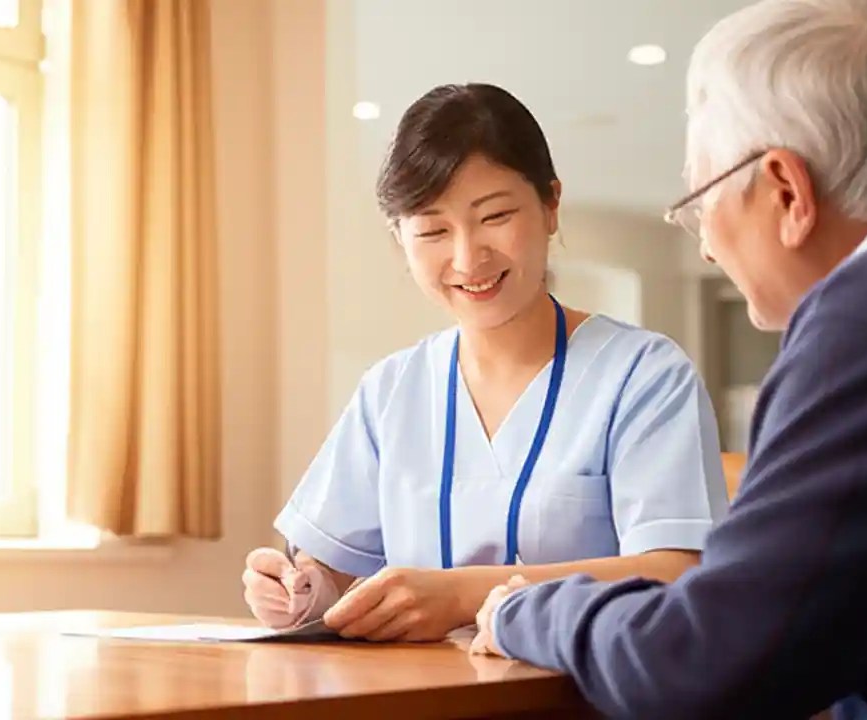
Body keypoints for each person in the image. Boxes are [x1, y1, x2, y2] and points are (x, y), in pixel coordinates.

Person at [470, 1, 867, 718]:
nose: (706, 246)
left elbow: (703, 665)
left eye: (700, 203)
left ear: (786, 191)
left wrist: (524, 610)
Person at [241, 83, 729, 642]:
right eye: (432, 231)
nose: (468, 258)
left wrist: (459, 596)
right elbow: (328, 562)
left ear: (550, 205)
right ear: (399, 238)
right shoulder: (392, 390)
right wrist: (298, 587)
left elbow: (675, 573)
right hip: (422, 695)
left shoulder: (644, 376)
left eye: (494, 216)